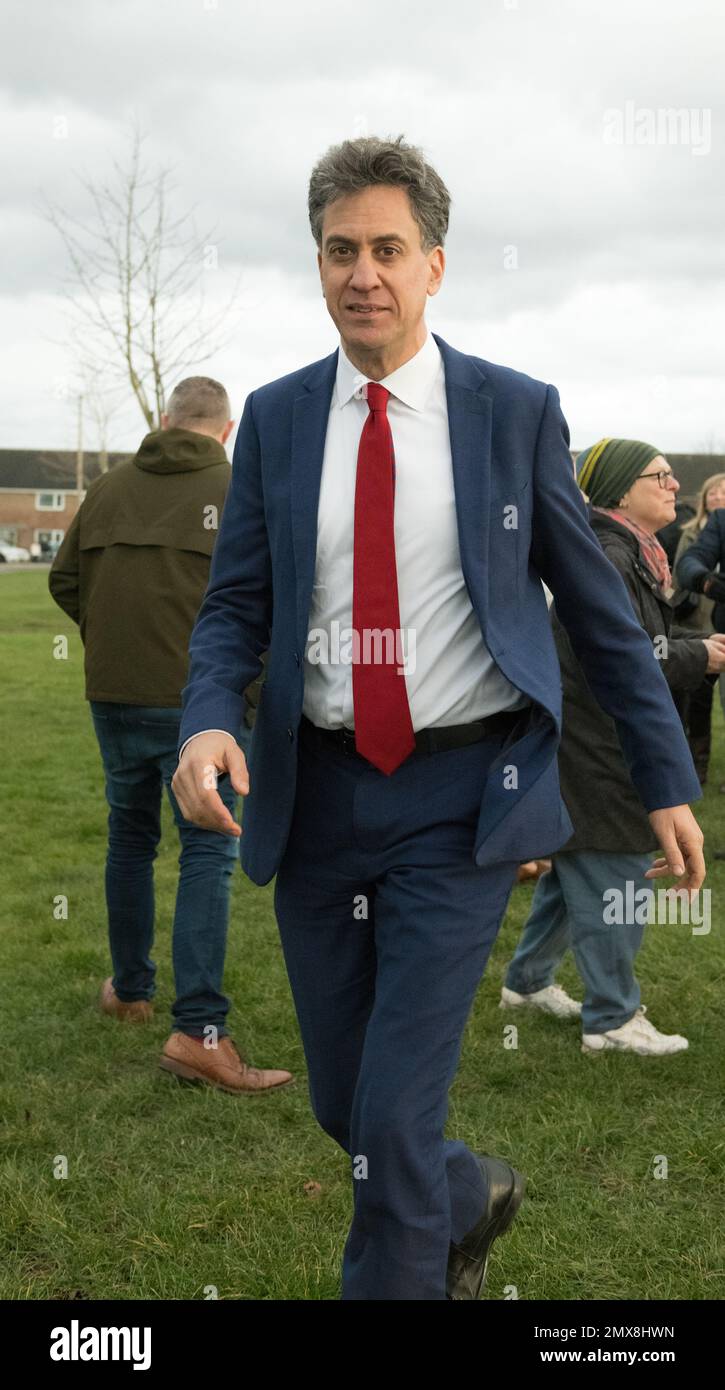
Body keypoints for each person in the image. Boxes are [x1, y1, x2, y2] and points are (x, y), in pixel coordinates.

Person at [171, 136, 704, 1302]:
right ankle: (467, 1196)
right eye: (338, 250)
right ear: (318, 266)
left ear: (435, 265)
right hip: (314, 798)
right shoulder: (273, 420)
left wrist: (664, 776)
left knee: (393, 1113)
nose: (362, 272)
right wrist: (208, 720)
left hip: (463, 802)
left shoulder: (512, 413)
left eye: (386, 249)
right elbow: (233, 609)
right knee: (344, 1104)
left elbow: (606, 623)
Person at [49, 377, 291, 1096]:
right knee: (207, 852)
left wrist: (112, 641)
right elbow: (276, 600)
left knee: (129, 836)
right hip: (200, 705)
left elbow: (64, 581)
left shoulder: (109, 488)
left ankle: (128, 988)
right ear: (226, 428)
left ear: (164, 420)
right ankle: (199, 1032)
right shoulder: (240, 484)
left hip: (115, 693)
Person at [502, 440, 725, 1053]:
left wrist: (686, 645)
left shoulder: (628, 549)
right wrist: (696, 653)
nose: (675, 485)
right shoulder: (608, 551)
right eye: (660, 475)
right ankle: (612, 1019)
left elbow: (638, 638)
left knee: (577, 863)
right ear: (622, 489)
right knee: (619, 869)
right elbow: (621, 653)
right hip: (600, 737)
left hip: (590, 732)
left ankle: (525, 983)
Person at [670, 474, 725, 784]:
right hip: (707, 628)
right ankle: (695, 767)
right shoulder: (720, 521)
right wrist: (707, 581)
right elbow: (689, 562)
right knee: (699, 700)